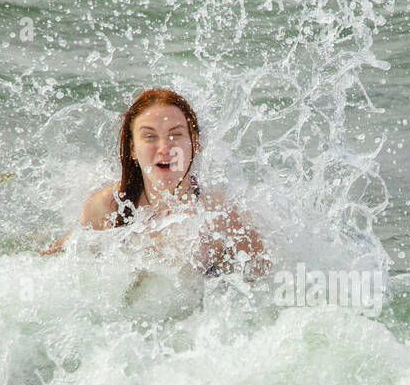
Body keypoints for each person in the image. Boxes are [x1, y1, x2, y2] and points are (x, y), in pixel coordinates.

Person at [40, 88, 269, 278]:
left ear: (194, 142)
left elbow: (262, 286)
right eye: (149, 136)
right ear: (132, 149)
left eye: (176, 134)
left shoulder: (220, 216)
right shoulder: (106, 208)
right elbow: (57, 266)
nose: (164, 148)